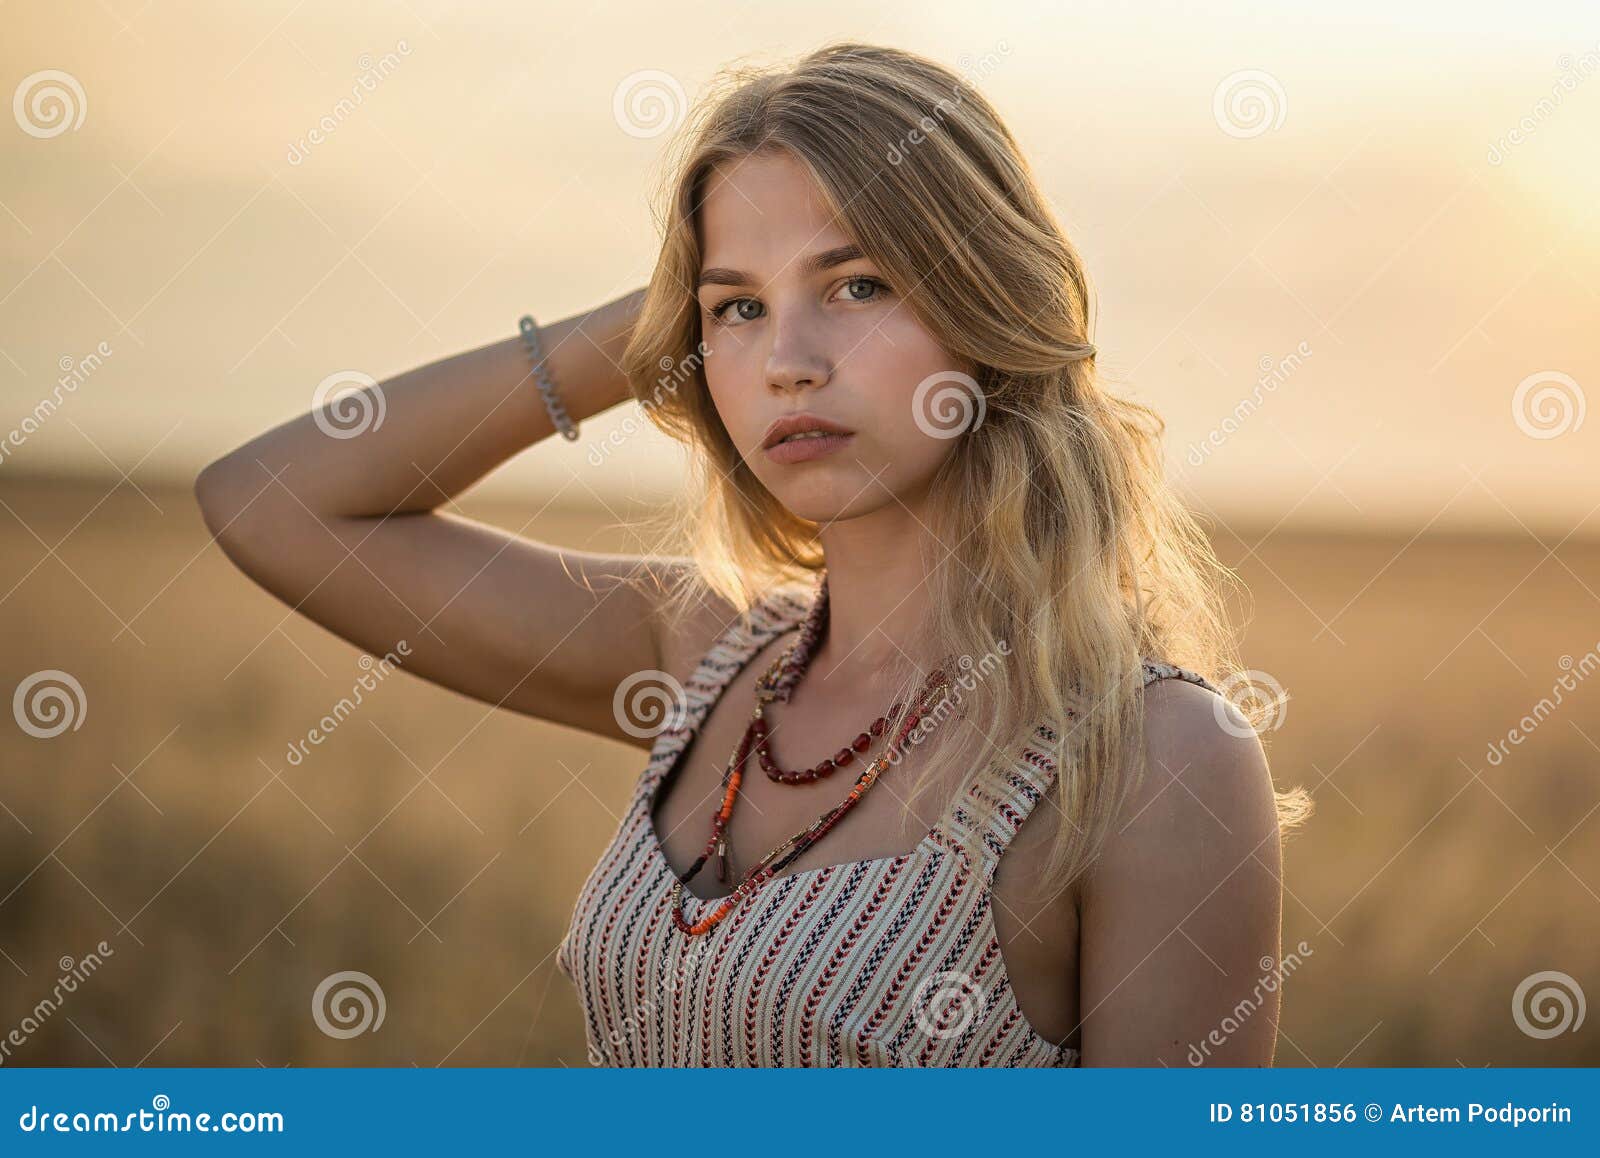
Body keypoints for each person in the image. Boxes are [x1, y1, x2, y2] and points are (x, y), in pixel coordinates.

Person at [196, 40, 1310, 1067]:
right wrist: (648, 326)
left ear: (988, 301)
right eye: (736, 310)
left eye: (858, 285)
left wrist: (735, 286)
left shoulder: (1154, 758)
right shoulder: (702, 653)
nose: (786, 360)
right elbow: (271, 503)